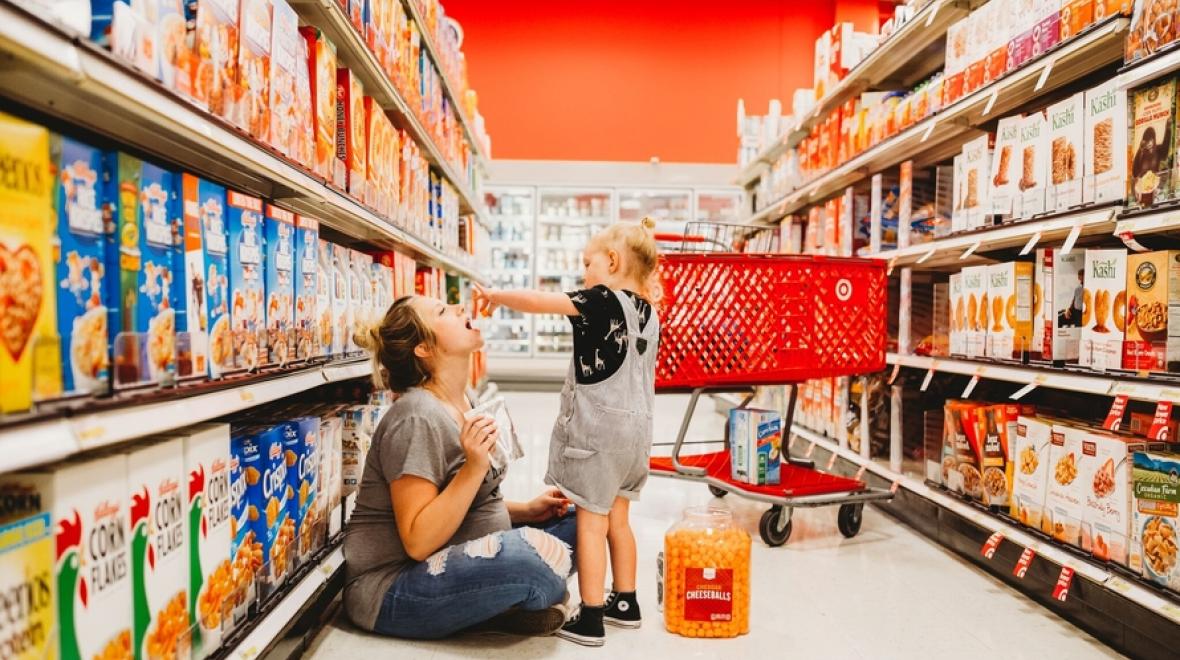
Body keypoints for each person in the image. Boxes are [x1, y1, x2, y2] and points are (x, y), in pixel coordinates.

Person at [472, 217, 661, 647]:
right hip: (636, 437)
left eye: (587, 264)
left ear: (612, 261)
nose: (584, 274)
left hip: (600, 437)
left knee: (591, 524)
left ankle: (591, 616)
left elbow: (539, 301)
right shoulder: (649, 313)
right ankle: (626, 602)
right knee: (619, 520)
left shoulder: (601, 300)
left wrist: (497, 295)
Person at [343, 296, 577, 640]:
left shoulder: (466, 399)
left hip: (458, 558)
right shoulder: (416, 417)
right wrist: (474, 466)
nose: (459, 308)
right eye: (442, 311)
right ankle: (506, 602)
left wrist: (525, 511)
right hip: (395, 588)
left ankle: (499, 602)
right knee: (529, 560)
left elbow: (468, 503)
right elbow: (418, 541)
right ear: (424, 348)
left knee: (581, 520)